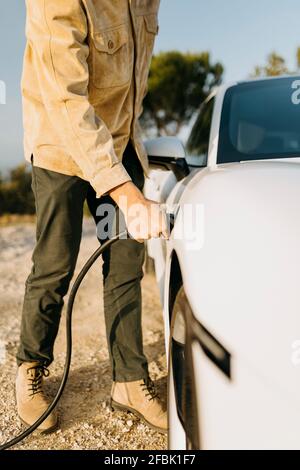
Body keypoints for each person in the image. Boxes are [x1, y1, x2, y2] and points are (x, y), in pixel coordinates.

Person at [16, 0, 168, 435]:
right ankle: (30, 367)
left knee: (125, 266)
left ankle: (129, 382)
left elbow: (132, 84)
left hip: (119, 146)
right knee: (54, 265)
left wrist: (128, 166)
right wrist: (128, 196)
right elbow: (65, 100)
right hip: (60, 148)